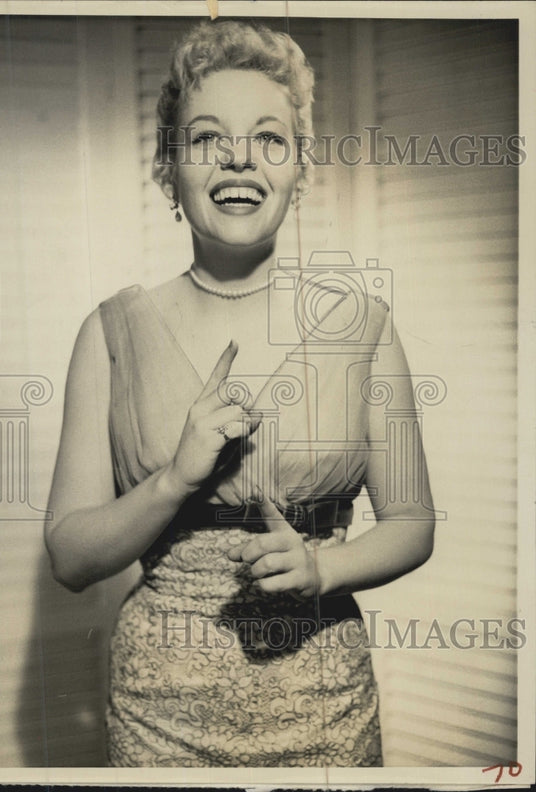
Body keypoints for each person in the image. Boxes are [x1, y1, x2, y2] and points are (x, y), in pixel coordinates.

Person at [45, 19, 435, 768]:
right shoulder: (110, 333)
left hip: (327, 707)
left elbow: (413, 522)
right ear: (169, 166)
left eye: (269, 137)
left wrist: (324, 569)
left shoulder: (363, 328)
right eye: (205, 138)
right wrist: (171, 482)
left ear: (301, 169)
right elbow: (69, 556)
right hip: (161, 719)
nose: (239, 160)